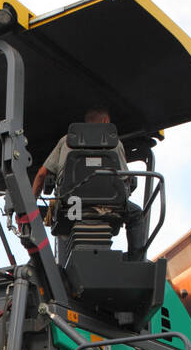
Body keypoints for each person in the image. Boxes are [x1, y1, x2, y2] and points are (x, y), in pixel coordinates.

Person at [31, 108, 147, 258]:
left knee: (44, 211)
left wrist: (30, 205)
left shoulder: (66, 141)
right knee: (136, 215)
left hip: (71, 205)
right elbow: (124, 178)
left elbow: (41, 175)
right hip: (110, 206)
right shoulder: (115, 143)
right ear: (106, 121)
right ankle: (135, 260)